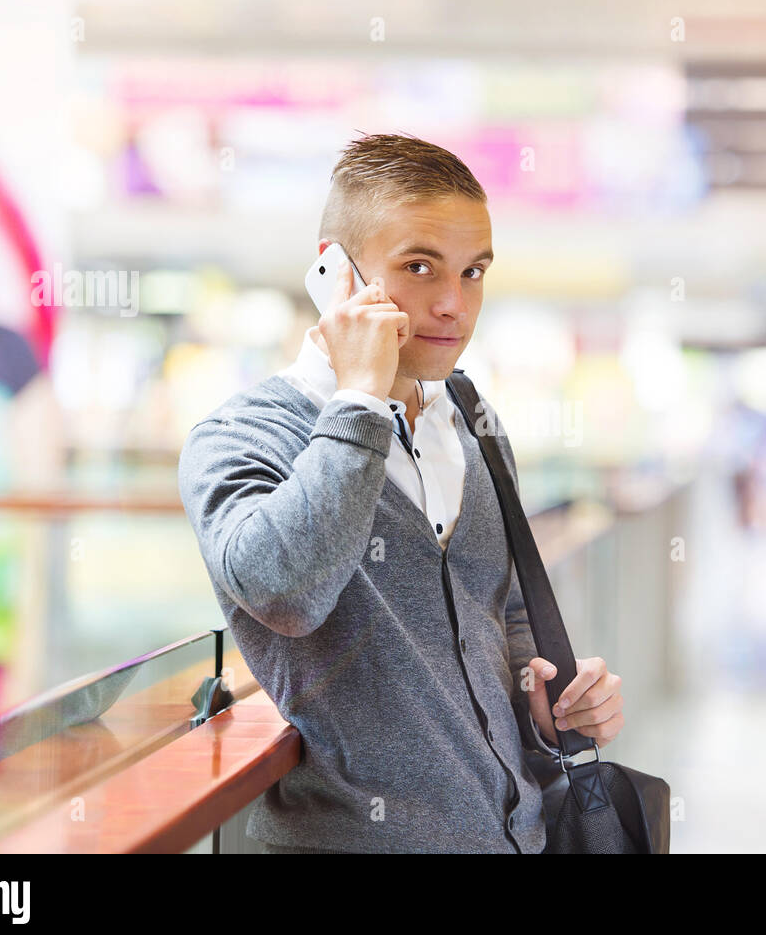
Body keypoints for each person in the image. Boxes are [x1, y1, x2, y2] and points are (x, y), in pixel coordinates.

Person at [177, 133, 623, 853]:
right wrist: (359, 399)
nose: (453, 304)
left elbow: (502, 613)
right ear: (335, 271)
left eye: (473, 272)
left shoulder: (472, 420)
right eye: (420, 267)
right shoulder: (241, 437)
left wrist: (544, 706)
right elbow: (286, 592)